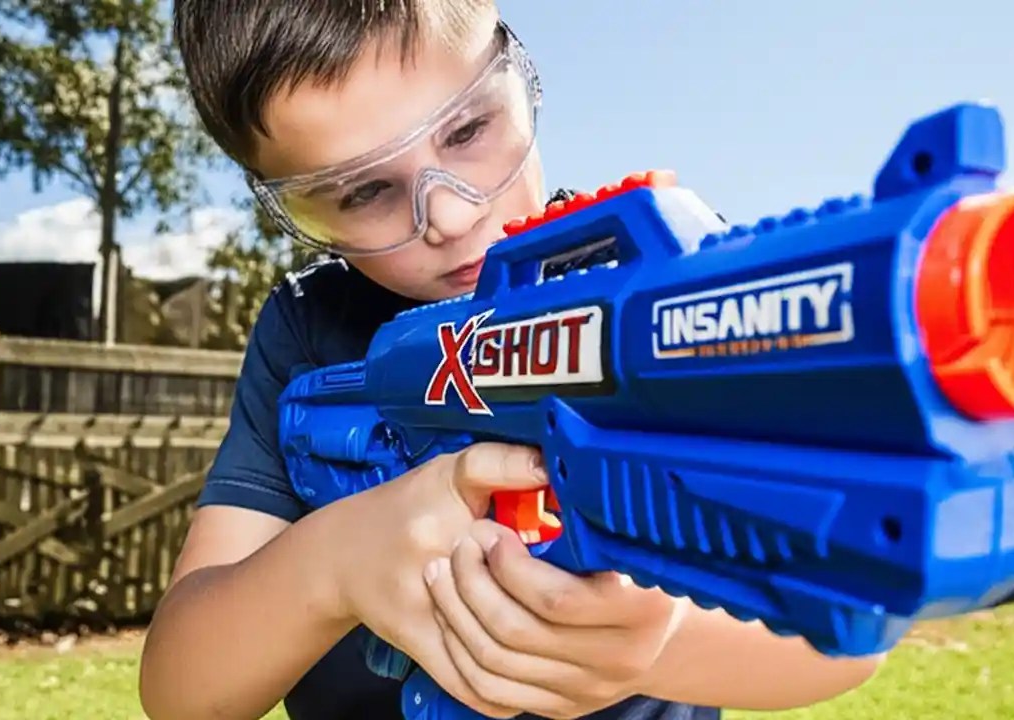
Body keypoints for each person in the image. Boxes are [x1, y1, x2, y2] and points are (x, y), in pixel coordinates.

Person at [139, 2, 887, 718]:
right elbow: (182, 691)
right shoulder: (306, 333)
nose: (452, 216)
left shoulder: (681, 286)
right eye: (364, 190)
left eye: (467, 130)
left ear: (518, 75)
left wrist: (651, 649)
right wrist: (333, 566)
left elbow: (848, 630)